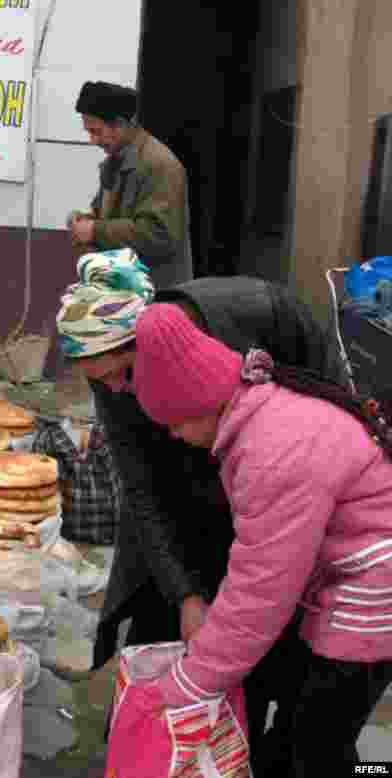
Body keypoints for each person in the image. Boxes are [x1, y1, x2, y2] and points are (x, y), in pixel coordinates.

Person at [54, 249, 344, 763]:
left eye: (121, 374)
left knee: (286, 698)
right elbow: (143, 491)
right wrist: (186, 594)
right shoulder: (114, 378)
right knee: (176, 636)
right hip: (196, 510)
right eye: (99, 384)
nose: (117, 393)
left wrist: (201, 675)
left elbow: (264, 579)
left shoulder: (259, 317)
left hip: (294, 517)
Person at [131, 303, 392, 777]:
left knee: (319, 747)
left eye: (172, 424)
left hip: (373, 593)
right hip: (347, 577)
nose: (173, 436)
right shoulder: (263, 411)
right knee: (299, 734)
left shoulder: (275, 453)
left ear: (199, 403)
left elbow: (260, 591)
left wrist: (192, 682)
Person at [68, 81, 192, 290]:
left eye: (96, 131)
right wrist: (85, 221)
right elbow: (106, 218)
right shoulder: (115, 161)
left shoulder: (159, 164)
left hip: (155, 294)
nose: (92, 140)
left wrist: (94, 231)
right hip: (124, 290)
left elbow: (159, 235)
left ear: (119, 124)